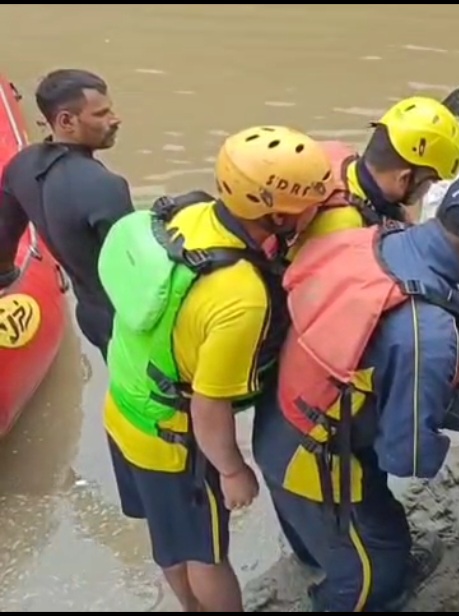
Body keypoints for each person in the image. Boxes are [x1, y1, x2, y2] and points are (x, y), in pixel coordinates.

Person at [251, 169, 459, 612]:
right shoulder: (426, 333)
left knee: (322, 536)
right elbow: (406, 457)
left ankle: (323, 556)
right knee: (375, 570)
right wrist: (454, 395)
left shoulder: (376, 236)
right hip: (314, 460)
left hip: (281, 413)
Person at [96, 125, 332, 612]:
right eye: (311, 201)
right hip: (173, 441)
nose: (318, 209)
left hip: (125, 403)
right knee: (207, 553)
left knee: (171, 541)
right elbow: (209, 403)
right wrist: (231, 469)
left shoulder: (190, 213)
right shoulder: (241, 298)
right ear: (277, 214)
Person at [0, 69, 129, 359]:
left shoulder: (20, 166)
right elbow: (136, 273)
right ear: (66, 121)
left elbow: (3, 242)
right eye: (102, 113)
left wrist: (6, 280)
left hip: (91, 318)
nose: (115, 119)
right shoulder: (105, 187)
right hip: (126, 323)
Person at [288, 95, 459, 259]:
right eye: (431, 181)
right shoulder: (346, 226)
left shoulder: (341, 155)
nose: (430, 188)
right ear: (404, 178)